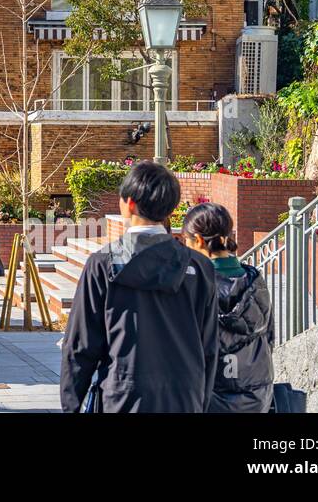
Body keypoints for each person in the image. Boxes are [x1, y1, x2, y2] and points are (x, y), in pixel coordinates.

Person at [60, 161, 219, 413]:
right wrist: (199, 400)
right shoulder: (199, 268)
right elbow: (209, 347)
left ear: (129, 203)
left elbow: (80, 347)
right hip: (184, 397)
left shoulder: (103, 265)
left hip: (123, 397)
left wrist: (72, 406)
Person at [182, 202, 274, 413]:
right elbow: (268, 339)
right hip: (258, 396)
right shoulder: (255, 280)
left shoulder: (193, 284)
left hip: (210, 397)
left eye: (186, 242)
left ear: (198, 241)